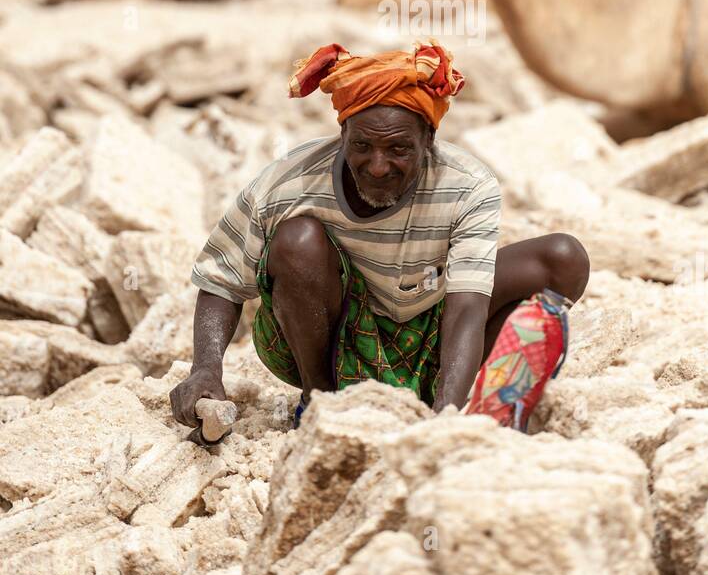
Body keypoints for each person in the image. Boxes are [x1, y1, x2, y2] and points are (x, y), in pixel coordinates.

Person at [170, 41, 589, 427]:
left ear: (429, 139)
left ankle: (461, 400)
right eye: (362, 146)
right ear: (343, 134)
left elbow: (467, 307)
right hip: (329, 337)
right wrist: (205, 369)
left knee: (562, 257)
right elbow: (221, 281)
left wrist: (444, 419)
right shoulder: (289, 182)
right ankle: (319, 404)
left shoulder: (467, 186)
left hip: (430, 338)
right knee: (297, 240)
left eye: (399, 149)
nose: (377, 165)